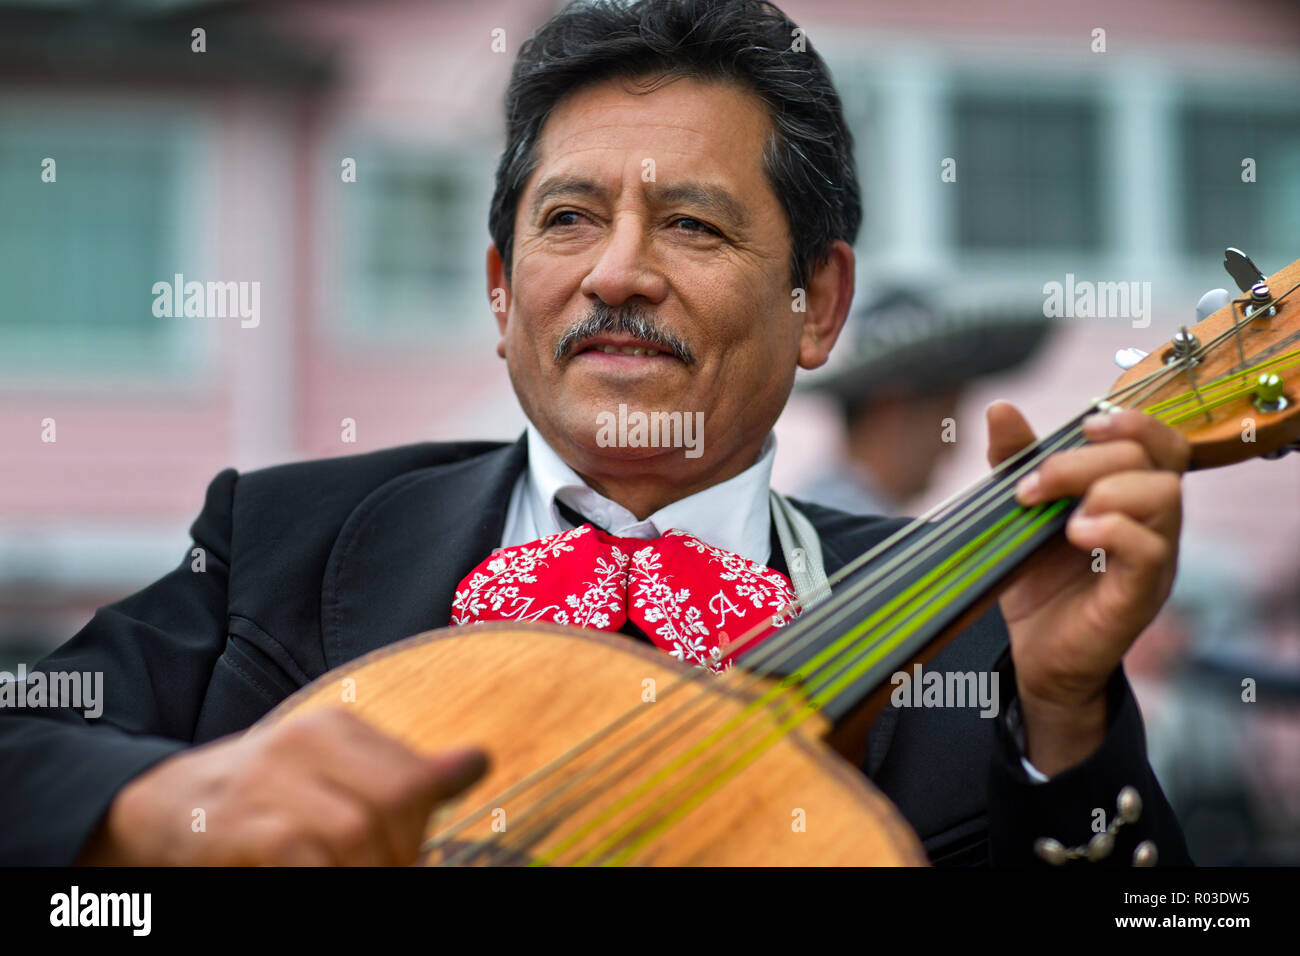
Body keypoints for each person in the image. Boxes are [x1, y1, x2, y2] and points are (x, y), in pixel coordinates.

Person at [0, 0, 1192, 866]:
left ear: (817, 304)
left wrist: (1070, 727)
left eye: (691, 225)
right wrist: (155, 817)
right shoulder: (275, 537)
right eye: (569, 217)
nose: (618, 272)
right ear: (502, 288)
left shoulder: (983, 641)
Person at [798, 289, 1054, 517]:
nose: (953, 443)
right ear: (892, 407)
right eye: (946, 416)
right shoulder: (847, 531)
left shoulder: (825, 518)